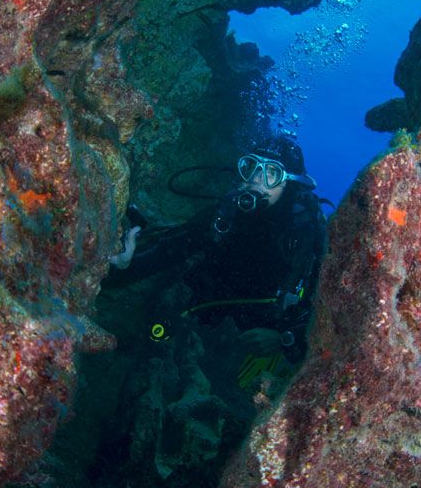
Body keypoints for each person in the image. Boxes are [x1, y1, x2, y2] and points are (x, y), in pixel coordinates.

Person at [106, 135, 327, 372]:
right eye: (250, 166)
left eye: (271, 173)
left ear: (290, 184)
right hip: (209, 317)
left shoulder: (304, 231)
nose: (255, 179)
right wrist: (120, 267)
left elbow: (325, 301)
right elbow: (167, 252)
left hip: (266, 326)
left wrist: (284, 338)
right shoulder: (225, 216)